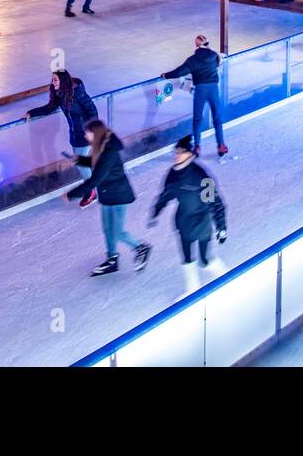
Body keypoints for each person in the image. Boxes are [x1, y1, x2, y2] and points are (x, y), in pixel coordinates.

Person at [66, 122, 151, 277]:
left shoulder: (109, 152)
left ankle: (141, 248)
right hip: (107, 194)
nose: (85, 136)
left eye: (88, 133)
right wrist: (80, 160)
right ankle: (112, 259)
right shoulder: (100, 147)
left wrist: (71, 194)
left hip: (119, 195)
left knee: (118, 231)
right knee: (107, 229)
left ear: (95, 133)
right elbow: (95, 163)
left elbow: (94, 180)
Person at [149, 136, 228, 294]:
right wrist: (156, 211)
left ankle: (227, 277)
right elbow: (167, 194)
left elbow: (215, 203)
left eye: (181, 152)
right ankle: (192, 288)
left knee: (205, 260)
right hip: (183, 222)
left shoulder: (200, 176)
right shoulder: (172, 174)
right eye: (175, 151)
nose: (176, 155)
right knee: (186, 257)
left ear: (189, 154)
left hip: (201, 222)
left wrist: (221, 227)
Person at [26, 69, 99, 197]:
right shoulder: (59, 94)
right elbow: (49, 108)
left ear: (63, 81)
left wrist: (91, 131)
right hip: (74, 134)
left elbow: (92, 111)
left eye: (55, 80)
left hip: (85, 133)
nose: (53, 82)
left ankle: (91, 191)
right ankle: (94, 182)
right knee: (82, 163)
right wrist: (31, 113)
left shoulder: (78, 92)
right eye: (52, 80)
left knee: (81, 163)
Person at [162, 34, 227, 158]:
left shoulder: (192, 60)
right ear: (207, 44)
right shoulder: (215, 56)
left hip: (201, 90)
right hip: (213, 88)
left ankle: (197, 147)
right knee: (217, 118)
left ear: (196, 45)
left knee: (197, 119)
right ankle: (221, 145)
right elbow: (220, 61)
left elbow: (179, 72)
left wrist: (166, 75)